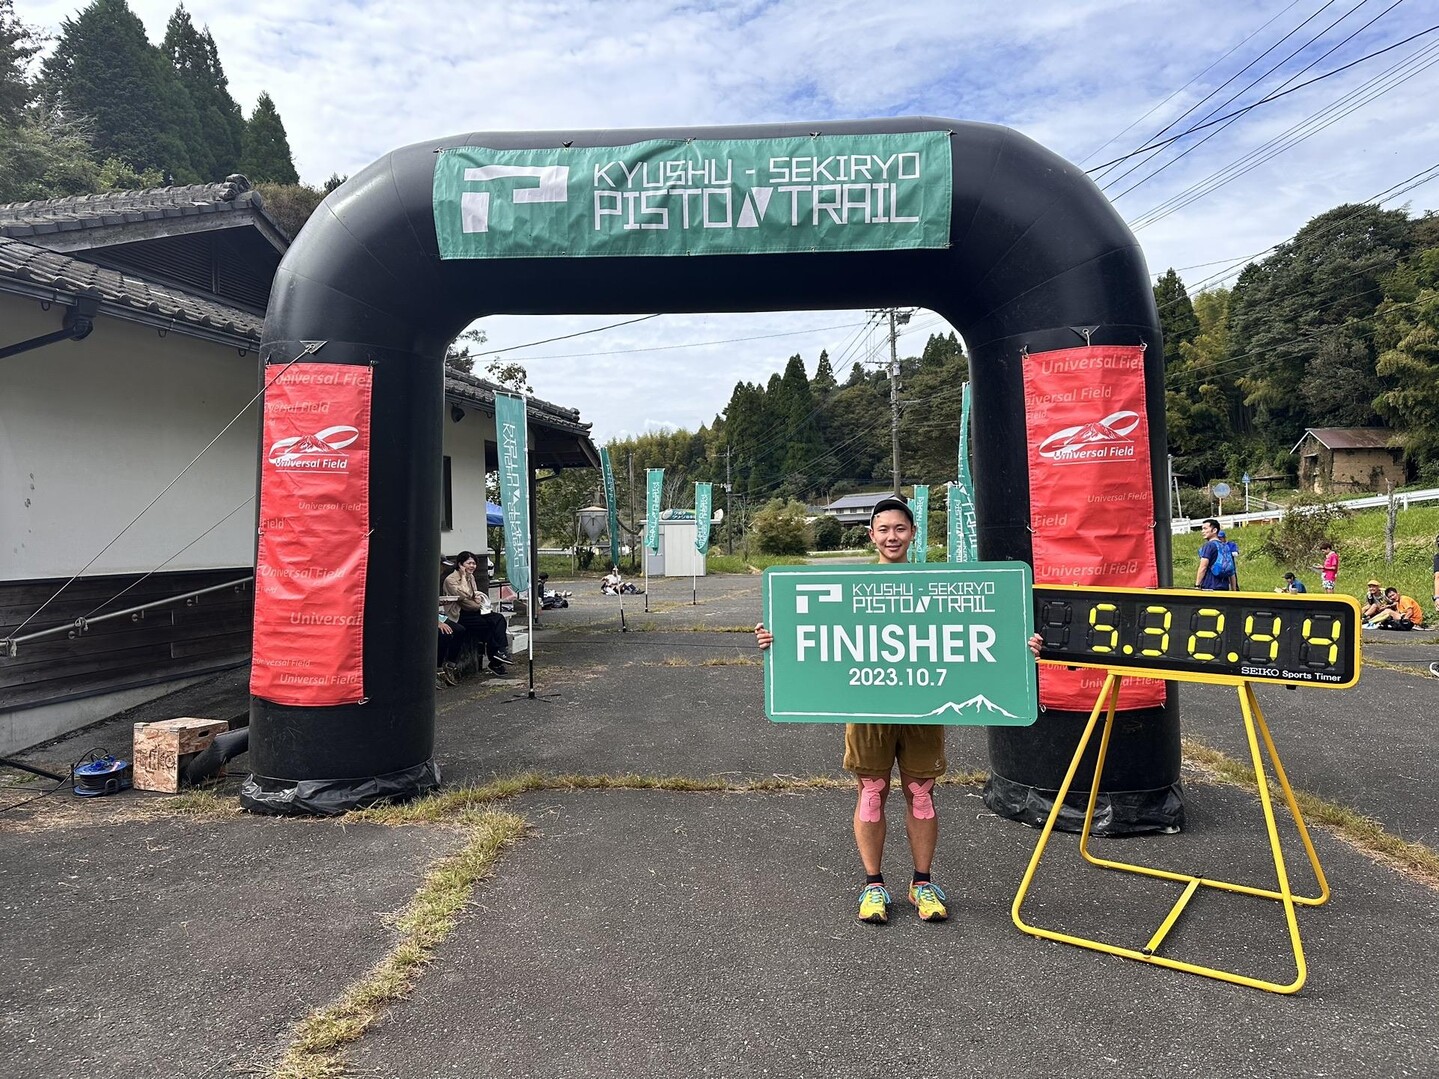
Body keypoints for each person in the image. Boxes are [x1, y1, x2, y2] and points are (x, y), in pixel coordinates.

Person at [754, 494, 1042, 926]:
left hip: (923, 707)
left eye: (900, 528)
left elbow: (981, 633)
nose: (892, 536)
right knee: (872, 792)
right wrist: (775, 639)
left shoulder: (938, 586)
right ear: (871, 536)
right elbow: (813, 633)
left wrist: (1023, 647)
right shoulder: (854, 590)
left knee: (921, 795)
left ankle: (922, 882)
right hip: (867, 708)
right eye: (884, 529)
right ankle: (873, 885)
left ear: (913, 533)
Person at [443, 551, 510, 675]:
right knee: (489, 628)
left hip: (474, 610)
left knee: (498, 619)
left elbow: (474, 595)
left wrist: (475, 599)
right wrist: (463, 577)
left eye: (474, 563)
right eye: (469, 563)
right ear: (460, 564)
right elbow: (463, 596)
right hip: (459, 614)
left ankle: (501, 651)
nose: (472, 566)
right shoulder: (451, 580)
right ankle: (496, 662)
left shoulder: (471, 577)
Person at [1194, 518, 1232, 591]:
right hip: (1224, 586)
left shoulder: (1209, 545)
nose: (1202, 531)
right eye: (1202, 529)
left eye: (1205, 529)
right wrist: (1234, 589)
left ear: (1214, 530)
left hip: (1210, 586)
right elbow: (1232, 570)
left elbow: (1203, 567)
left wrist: (1197, 585)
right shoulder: (1225, 546)